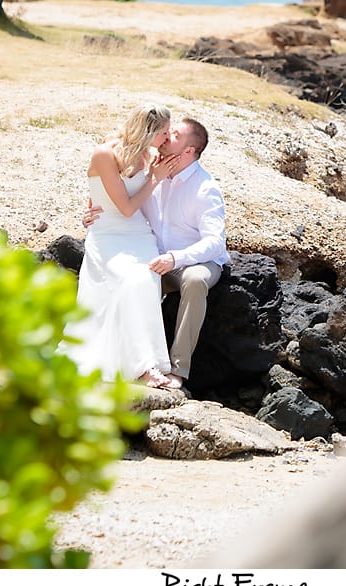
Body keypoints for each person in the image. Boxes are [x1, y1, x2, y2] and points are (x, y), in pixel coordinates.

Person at [83, 117, 229, 390]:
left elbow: (215, 243)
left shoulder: (205, 188)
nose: (164, 138)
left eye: (173, 135)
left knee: (195, 281)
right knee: (127, 279)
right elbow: (121, 200)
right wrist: (92, 213)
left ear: (188, 151)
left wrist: (176, 258)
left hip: (195, 261)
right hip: (155, 257)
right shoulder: (153, 171)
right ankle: (127, 361)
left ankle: (178, 368)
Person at [59, 104, 181, 390]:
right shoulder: (105, 154)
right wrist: (153, 179)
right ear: (149, 130)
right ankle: (141, 368)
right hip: (108, 234)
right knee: (129, 280)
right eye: (163, 132)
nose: (166, 138)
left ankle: (144, 364)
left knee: (143, 278)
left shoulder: (148, 154)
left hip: (139, 234)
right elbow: (124, 207)